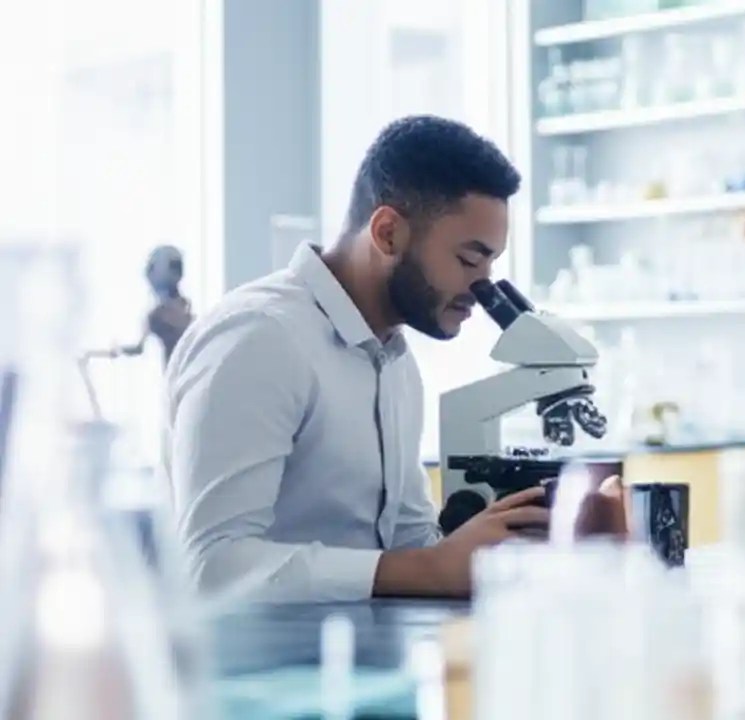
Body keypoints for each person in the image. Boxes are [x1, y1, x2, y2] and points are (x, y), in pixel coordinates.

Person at [161, 115, 618, 604]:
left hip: (356, 660)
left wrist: (508, 550)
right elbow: (210, 568)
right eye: (468, 260)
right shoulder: (259, 338)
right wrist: (429, 567)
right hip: (260, 672)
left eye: (490, 265)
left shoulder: (395, 362)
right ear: (387, 233)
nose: (482, 290)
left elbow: (408, 547)